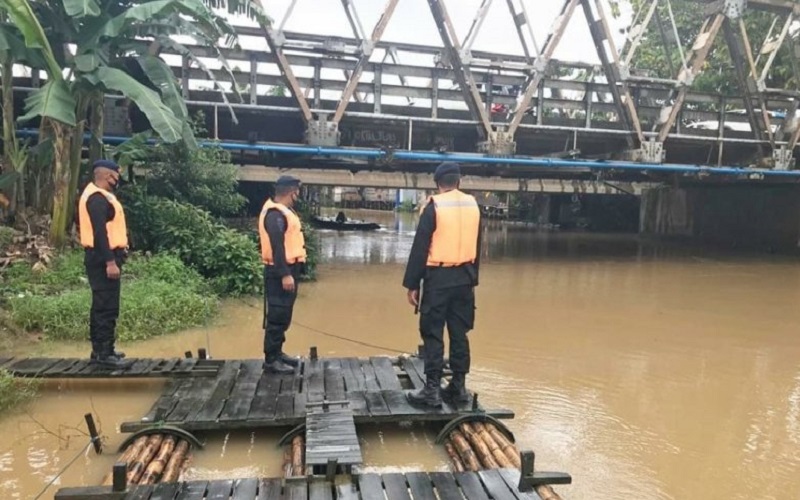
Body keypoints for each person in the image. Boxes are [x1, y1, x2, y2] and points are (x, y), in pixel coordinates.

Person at [403, 162, 481, 408]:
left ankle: (432, 391)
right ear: (459, 181)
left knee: (433, 332)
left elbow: (420, 248)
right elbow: (478, 246)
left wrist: (412, 284)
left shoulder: (434, 207)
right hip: (465, 279)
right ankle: (458, 387)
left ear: (438, 183)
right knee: (460, 333)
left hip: (438, 279)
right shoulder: (473, 205)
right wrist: (473, 279)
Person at [77, 159, 129, 367]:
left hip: (104, 257)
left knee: (104, 304)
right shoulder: (97, 199)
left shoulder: (99, 196)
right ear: (109, 176)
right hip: (101, 259)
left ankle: (103, 350)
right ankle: (103, 355)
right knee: (105, 306)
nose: (118, 179)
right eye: (116, 175)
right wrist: (110, 262)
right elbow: (100, 233)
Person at [258, 176, 307, 374]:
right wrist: (285, 275)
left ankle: (278, 352)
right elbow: (277, 247)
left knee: (284, 314)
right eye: (297, 192)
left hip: (288, 269)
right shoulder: (274, 215)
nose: (298, 196)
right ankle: (271, 359)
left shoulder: (284, 212)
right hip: (280, 271)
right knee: (277, 315)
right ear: (291, 192)